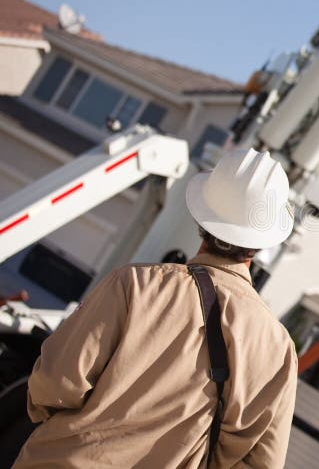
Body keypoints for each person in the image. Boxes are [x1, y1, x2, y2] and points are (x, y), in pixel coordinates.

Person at [14, 149, 298, 468]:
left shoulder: (134, 285)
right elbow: (263, 462)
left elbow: (56, 382)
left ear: (201, 216)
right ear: (263, 240)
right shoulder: (278, 349)